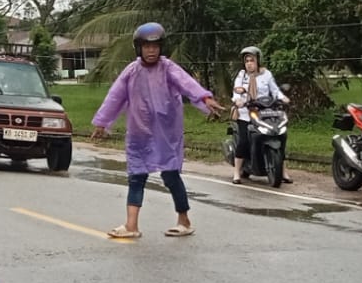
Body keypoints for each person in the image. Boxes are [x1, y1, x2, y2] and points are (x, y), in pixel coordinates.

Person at [90, 22, 225, 238]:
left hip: (166, 133)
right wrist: (102, 123)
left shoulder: (168, 67)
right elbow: (115, 96)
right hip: (139, 133)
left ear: (161, 47)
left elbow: (187, 84)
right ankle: (131, 225)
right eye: (146, 47)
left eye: (155, 46)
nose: (151, 51)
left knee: (170, 175)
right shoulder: (132, 71)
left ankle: (184, 220)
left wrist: (205, 98)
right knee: (136, 176)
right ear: (139, 48)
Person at [231, 45, 291, 184]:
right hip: (246, 113)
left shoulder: (266, 74)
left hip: (265, 111)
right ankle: (236, 172)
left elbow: (275, 90)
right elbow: (236, 92)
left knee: (280, 135)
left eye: (252, 60)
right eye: (247, 61)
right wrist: (238, 100)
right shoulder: (242, 75)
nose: (249, 64)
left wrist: (283, 98)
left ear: (258, 60)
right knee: (244, 142)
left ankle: (282, 170)